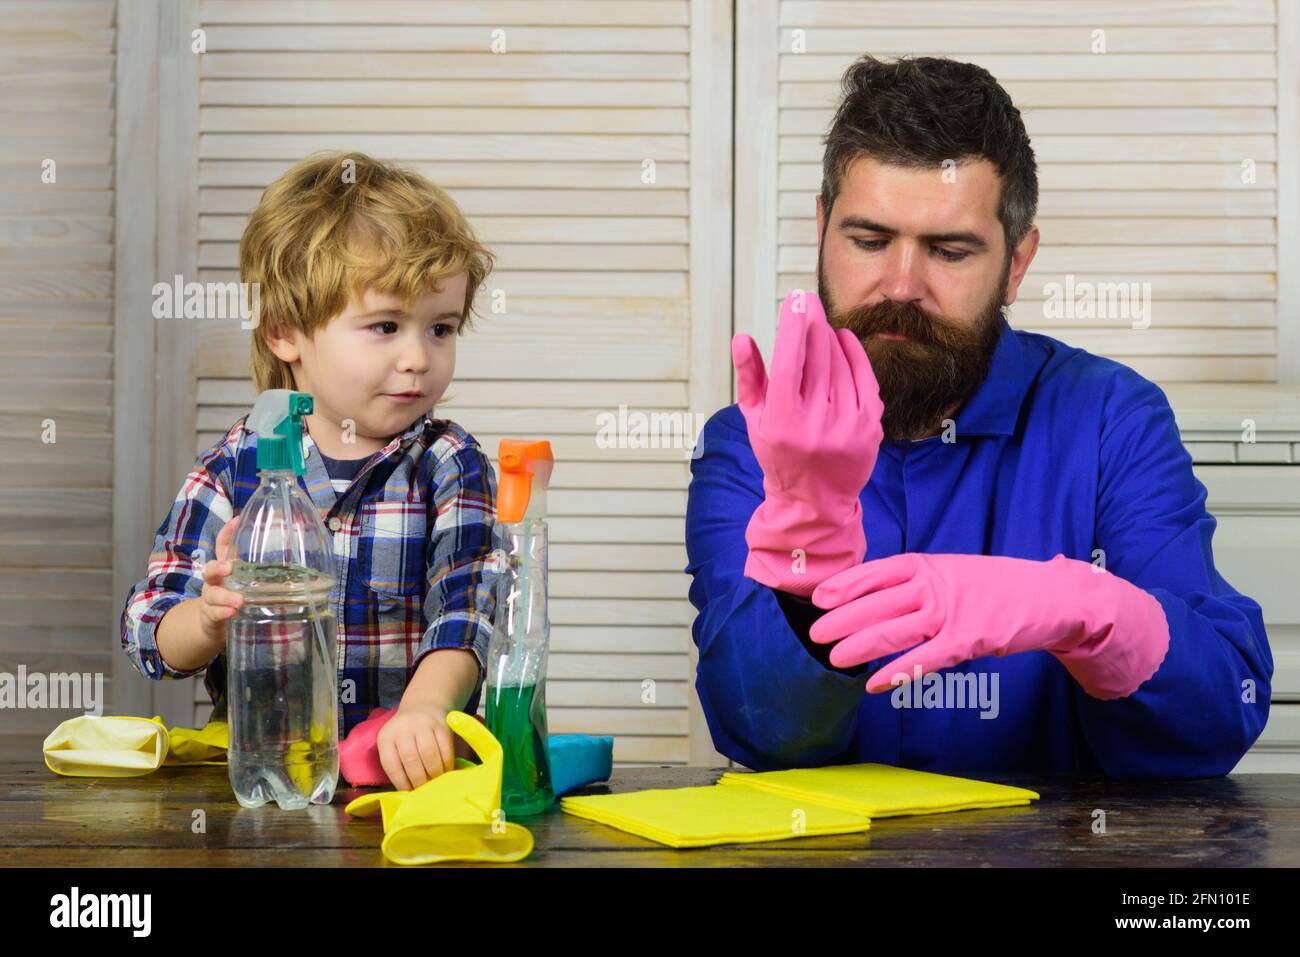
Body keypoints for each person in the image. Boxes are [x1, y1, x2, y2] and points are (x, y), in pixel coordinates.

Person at [685, 56, 1273, 778]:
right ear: (821, 230)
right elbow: (760, 732)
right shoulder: (750, 442)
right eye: (868, 240)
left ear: (1017, 262)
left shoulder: (1110, 420)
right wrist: (807, 549)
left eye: (949, 249)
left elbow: (1219, 720)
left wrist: (1083, 609)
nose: (901, 285)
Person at [120, 151, 499, 790]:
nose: (418, 358)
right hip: (268, 781)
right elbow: (149, 633)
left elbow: (466, 612)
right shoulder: (232, 469)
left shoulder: (450, 465)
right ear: (285, 334)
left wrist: (425, 709)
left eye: (441, 328)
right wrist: (209, 618)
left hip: (410, 781)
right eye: (385, 326)